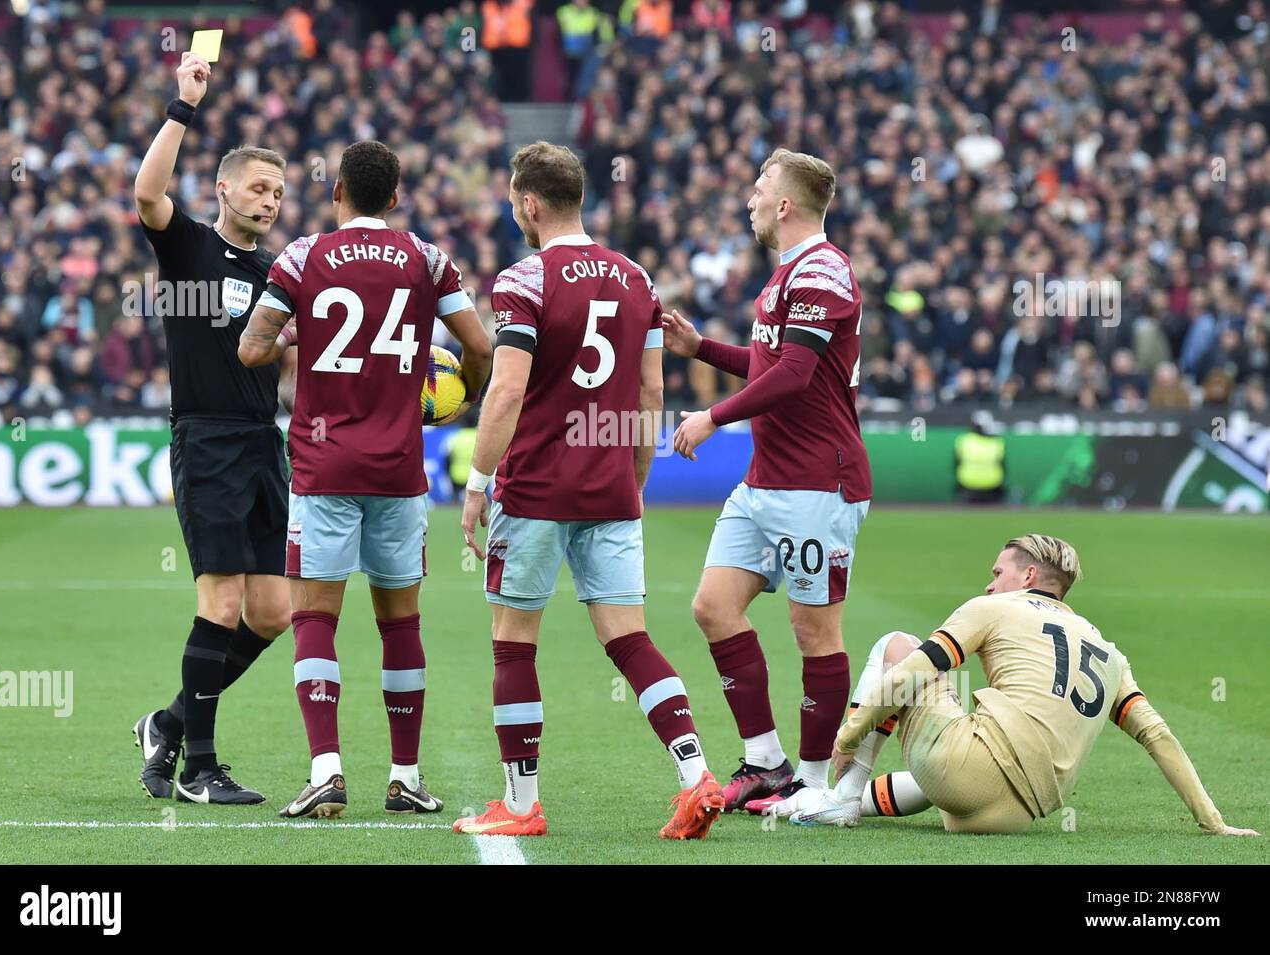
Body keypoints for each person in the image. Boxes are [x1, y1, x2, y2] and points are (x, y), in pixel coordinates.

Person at [455, 142, 723, 839]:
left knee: (513, 642)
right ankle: (696, 775)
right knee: (631, 640)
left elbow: (508, 387)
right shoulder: (638, 280)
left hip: (538, 485)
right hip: (609, 486)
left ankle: (520, 804)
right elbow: (653, 391)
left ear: (531, 203)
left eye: (516, 199)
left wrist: (478, 482)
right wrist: (634, 478)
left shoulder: (523, 279)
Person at [237, 140, 492, 819]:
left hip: (324, 465)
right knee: (400, 622)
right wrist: (461, 397)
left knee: (315, 616)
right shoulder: (427, 259)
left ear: (337, 192)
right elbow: (484, 345)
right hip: (399, 467)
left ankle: (327, 769)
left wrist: (296, 336)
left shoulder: (302, 257)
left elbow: (252, 347)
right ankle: (405, 775)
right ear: (397, 196)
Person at [789, 535, 1259, 838]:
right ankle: (833, 803)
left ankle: (845, 796)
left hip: (963, 769)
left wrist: (848, 736)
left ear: (1028, 576)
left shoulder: (993, 608)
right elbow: (1159, 738)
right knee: (967, 753)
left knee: (897, 644)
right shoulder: (1109, 651)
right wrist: (1212, 822)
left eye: (998, 573)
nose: (990, 584)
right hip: (1014, 817)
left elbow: (911, 671)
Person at [660, 148, 870, 815]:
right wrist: (703, 351)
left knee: (814, 631)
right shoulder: (785, 277)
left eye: (759, 188)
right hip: (766, 480)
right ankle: (767, 760)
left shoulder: (825, 271)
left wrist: (713, 417)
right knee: (712, 607)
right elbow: (766, 364)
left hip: (818, 482)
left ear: (786, 204)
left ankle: (812, 779)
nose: (749, 198)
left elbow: (794, 376)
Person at [131, 51, 297, 805]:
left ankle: (165, 722)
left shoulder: (279, 276)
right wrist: (183, 105)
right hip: (206, 441)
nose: (271, 201)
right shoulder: (189, 245)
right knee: (220, 602)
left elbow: (278, 353)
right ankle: (199, 766)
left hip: (264, 443)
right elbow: (145, 191)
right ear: (224, 188)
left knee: (273, 612)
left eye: (281, 192)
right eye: (260, 187)